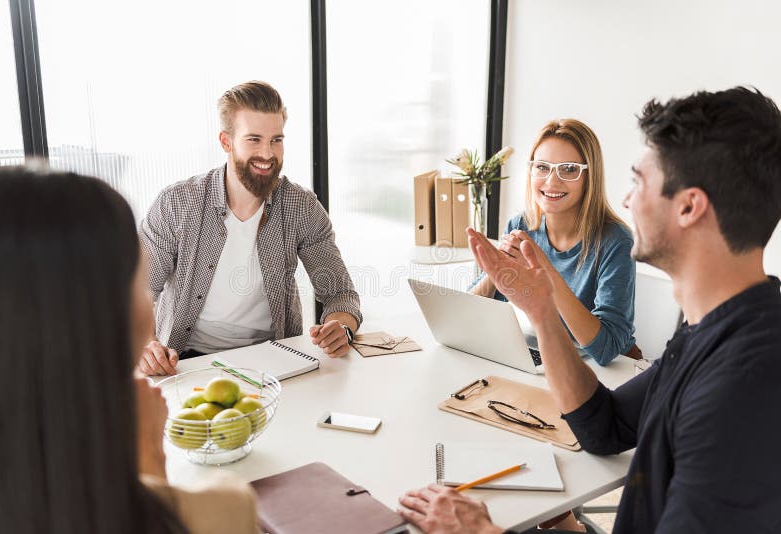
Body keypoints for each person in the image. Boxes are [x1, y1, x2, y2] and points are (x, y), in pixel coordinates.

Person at [400, 86, 781, 533]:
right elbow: (606, 428)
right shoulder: (712, 333)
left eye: (639, 182)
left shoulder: (745, 386)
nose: (625, 201)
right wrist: (541, 311)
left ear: (689, 206)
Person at [0, 165, 258, 533]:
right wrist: (148, 455)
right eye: (140, 284)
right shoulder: (215, 514)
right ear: (104, 320)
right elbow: (230, 501)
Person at [139, 81, 361, 376]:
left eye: (276, 140)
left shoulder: (301, 206)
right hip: (188, 361)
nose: (268, 154)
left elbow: (341, 294)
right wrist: (144, 343)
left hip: (275, 358)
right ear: (226, 141)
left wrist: (342, 327)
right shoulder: (176, 204)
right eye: (254, 139)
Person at [472, 119, 637, 366]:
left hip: (604, 370)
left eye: (569, 169)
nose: (551, 181)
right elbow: (470, 315)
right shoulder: (521, 226)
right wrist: (497, 269)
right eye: (542, 167)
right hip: (541, 354)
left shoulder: (616, 242)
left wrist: (544, 270)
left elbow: (605, 349)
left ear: (589, 176)